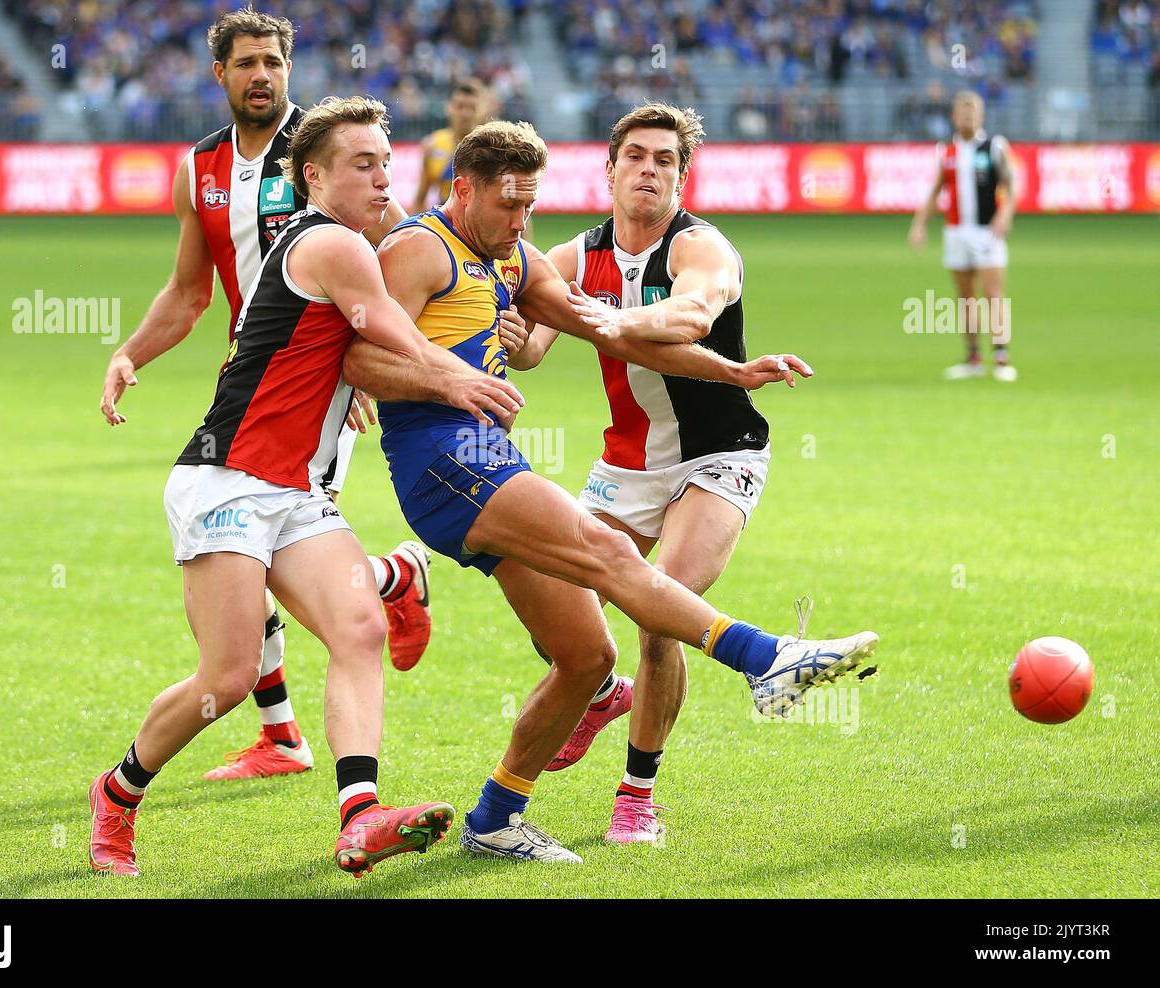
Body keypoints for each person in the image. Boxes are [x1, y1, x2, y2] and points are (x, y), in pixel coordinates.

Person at [344, 119, 880, 863]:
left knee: (588, 654)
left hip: (500, 455)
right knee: (611, 560)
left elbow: (617, 336)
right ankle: (768, 660)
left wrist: (732, 372)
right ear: (463, 190)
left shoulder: (518, 258)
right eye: (508, 206)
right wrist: (451, 375)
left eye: (531, 206)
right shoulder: (417, 250)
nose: (522, 223)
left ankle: (496, 817)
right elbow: (360, 363)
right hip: (445, 459)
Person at [88, 96, 527, 879]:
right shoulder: (331, 241)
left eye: (386, 162)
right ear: (316, 176)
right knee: (225, 680)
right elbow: (391, 329)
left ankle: (360, 816)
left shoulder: (348, 239)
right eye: (363, 164)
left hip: (293, 490)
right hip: (226, 477)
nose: (383, 177)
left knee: (359, 632)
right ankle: (118, 794)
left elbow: (365, 325)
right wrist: (463, 379)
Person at [96, 8, 434, 786]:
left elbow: (398, 254)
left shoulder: (326, 156)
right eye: (246, 64)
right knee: (261, 554)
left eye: (273, 63)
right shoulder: (201, 168)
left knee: (276, 545)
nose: (261, 76)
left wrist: (368, 365)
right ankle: (386, 587)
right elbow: (188, 293)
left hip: (320, 389)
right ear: (220, 73)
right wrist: (129, 351)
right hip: (249, 387)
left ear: (290, 67)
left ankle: (292, 734)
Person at [502, 101, 801, 844]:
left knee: (658, 613)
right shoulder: (576, 255)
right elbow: (534, 348)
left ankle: (636, 795)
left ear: (681, 176)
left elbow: (692, 316)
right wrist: (513, 334)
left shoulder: (701, 248)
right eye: (636, 155)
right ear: (608, 169)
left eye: (665, 160)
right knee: (555, 606)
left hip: (716, 454)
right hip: (625, 462)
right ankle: (601, 694)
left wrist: (602, 321)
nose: (649, 169)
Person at [909, 90, 1017, 382]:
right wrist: (920, 224)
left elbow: (1009, 184)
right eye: (963, 111)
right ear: (954, 116)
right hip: (956, 232)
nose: (968, 116)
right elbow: (936, 190)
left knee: (993, 294)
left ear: (980, 116)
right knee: (966, 297)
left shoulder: (994, 147)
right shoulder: (947, 152)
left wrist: (1005, 213)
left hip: (986, 231)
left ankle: (1001, 355)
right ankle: (973, 357)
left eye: (973, 111)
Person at [410, 79, 488, 215]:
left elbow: (512, 202)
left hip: (480, 223)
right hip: (446, 224)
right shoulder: (433, 145)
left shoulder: (490, 147)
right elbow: (420, 199)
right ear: (449, 108)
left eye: (472, 108)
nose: (465, 114)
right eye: (460, 106)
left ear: (480, 110)